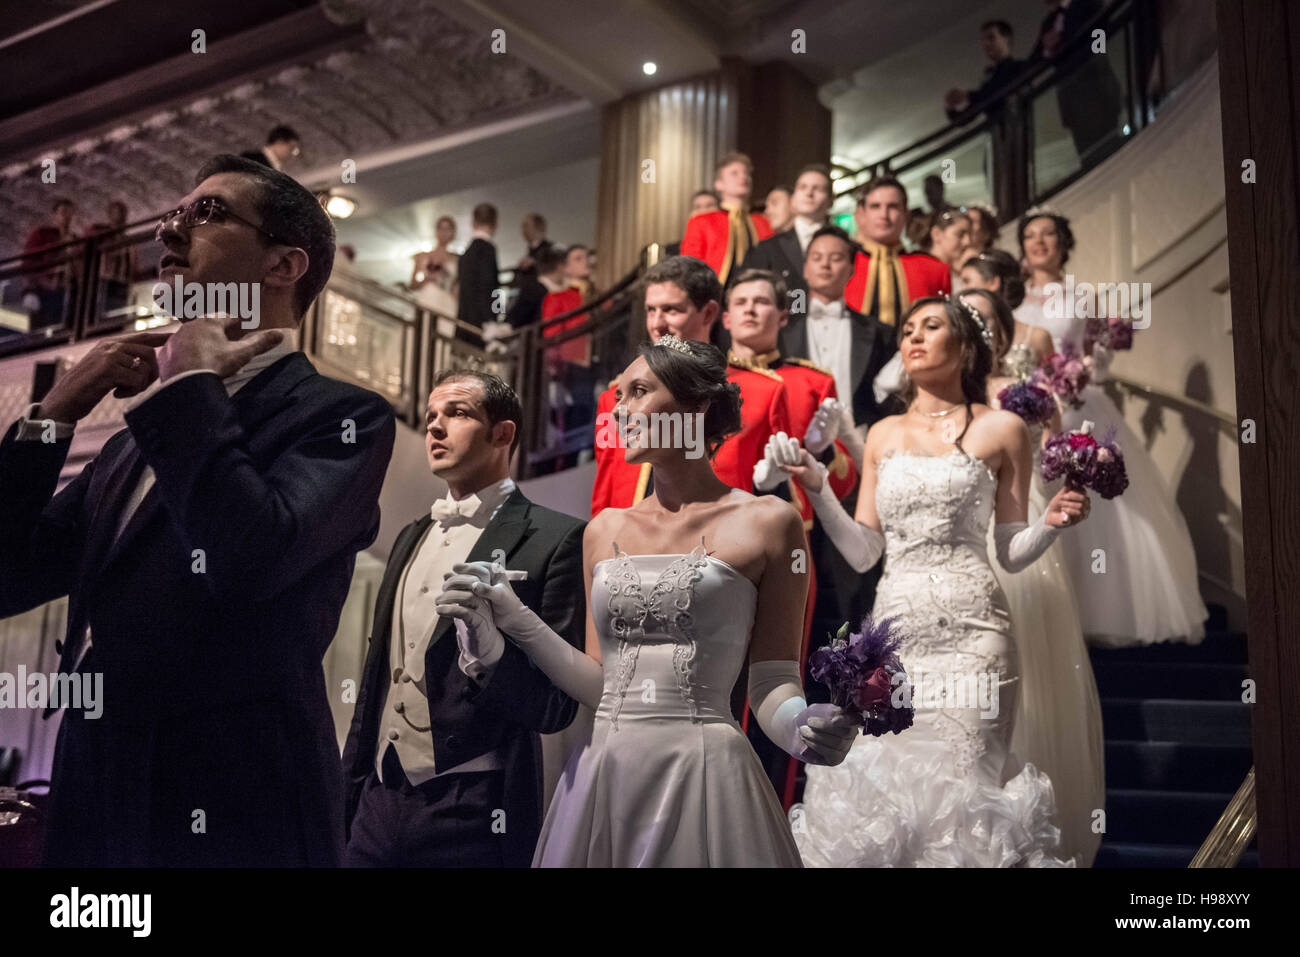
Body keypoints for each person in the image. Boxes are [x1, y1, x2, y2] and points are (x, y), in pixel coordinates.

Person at [0, 153, 396, 866]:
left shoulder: (345, 419)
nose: (169, 231)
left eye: (207, 213)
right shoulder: (129, 444)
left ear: (284, 266)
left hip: (237, 805)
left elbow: (249, 558)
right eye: (174, 214)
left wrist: (187, 385)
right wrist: (52, 415)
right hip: (97, 790)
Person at [436, 337, 859, 865]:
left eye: (638, 391)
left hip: (706, 774)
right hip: (606, 772)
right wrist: (514, 620)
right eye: (619, 395)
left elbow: (771, 682)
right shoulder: (604, 529)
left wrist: (802, 729)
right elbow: (599, 681)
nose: (619, 410)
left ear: (696, 408)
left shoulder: (770, 523)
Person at [780, 296, 1091, 867]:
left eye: (931, 326)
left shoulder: (1003, 428)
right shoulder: (881, 434)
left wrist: (1049, 526)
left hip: (975, 639)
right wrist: (820, 489)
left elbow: (1010, 550)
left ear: (965, 347)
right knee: (882, 794)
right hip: (893, 640)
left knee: (966, 791)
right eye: (907, 329)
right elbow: (863, 550)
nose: (914, 337)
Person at [341, 370, 586, 867]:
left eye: (456, 413)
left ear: (503, 434)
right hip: (376, 799)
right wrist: (349, 792)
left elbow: (554, 708)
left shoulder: (556, 538)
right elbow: (376, 681)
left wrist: (490, 655)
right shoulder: (408, 534)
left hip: (474, 807)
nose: (434, 427)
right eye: (431, 416)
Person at [1015, 209, 1207, 646]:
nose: (1039, 241)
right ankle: (1043, 606)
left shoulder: (1083, 296)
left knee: (1098, 506)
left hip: (1079, 404)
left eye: (1048, 234)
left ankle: (1095, 613)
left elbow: (1099, 356)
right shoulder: (1013, 300)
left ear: (1063, 243)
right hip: (1030, 411)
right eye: (1030, 235)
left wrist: (1081, 368)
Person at [965, 286, 1104, 866]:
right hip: (957, 553)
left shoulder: (1024, 395)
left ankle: (1034, 822)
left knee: (1030, 672)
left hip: (1018, 534)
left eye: (982, 319)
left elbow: (1056, 454)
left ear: (1000, 331)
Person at [725, 268, 860, 806]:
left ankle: (770, 810)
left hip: (791, 543)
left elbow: (847, 479)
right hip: (717, 536)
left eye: (765, 302)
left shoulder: (813, 381)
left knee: (779, 676)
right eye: (742, 301)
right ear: (726, 315)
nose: (754, 310)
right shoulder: (706, 378)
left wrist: (823, 453)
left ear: (783, 316)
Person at [589, 256, 790, 517]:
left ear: (709, 313)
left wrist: (770, 487)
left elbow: (788, 505)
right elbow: (605, 494)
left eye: (671, 310)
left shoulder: (763, 392)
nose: (657, 323)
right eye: (651, 310)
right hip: (631, 547)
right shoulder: (613, 398)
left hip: (723, 543)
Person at [781, 226, 896, 431]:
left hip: (859, 443)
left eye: (835, 258)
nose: (825, 265)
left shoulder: (880, 333)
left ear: (851, 268)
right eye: (817, 258)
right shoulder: (780, 329)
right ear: (805, 267)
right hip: (793, 438)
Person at [844, 176, 951, 325]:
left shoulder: (935, 270)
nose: (884, 215)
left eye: (893, 207)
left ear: (906, 215)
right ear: (860, 215)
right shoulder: (839, 267)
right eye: (875, 206)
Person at [1031, 0, 1124, 167]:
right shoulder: (1049, 22)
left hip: (1096, 89)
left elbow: (1101, 39)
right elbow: (1034, 61)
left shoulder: (1089, 5)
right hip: (1071, 98)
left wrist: (1068, 42)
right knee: (1087, 157)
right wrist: (1046, 49)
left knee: (1109, 152)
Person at [741, 164, 835, 312]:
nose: (809, 193)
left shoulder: (846, 248)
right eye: (803, 187)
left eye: (817, 188)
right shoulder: (767, 249)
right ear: (793, 199)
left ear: (831, 201)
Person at [680, 152, 773, 285]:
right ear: (719, 184)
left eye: (746, 173)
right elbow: (690, 266)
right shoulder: (702, 221)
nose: (743, 177)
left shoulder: (763, 222)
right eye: (734, 173)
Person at [959, 247, 1053, 370]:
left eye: (967, 281)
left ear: (993, 283)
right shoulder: (964, 338)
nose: (962, 290)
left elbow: (1054, 383)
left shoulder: (1038, 337)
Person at [944, 20, 1027, 122]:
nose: (986, 44)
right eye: (983, 40)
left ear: (1006, 39)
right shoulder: (989, 76)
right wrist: (950, 107)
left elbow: (995, 92)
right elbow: (966, 116)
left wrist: (967, 96)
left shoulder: (1018, 67)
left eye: (991, 38)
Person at [21, 198, 78, 329]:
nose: (67, 217)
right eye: (63, 212)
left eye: (70, 213)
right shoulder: (42, 234)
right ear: (55, 216)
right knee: (40, 330)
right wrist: (31, 290)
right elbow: (28, 263)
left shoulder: (77, 241)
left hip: (68, 292)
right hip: (44, 290)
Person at [457, 202, 499, 335]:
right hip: (482, 321)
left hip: (465, 318)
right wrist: (494, 317)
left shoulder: (466, 253)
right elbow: (490, 285)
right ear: (495, 224)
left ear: (473, 223)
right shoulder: (488, 249)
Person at [928, 207, 974, 287]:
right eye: (960, 234)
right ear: (936, 234)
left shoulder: (961, 272)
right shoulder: (924, 272)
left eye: (970, 234)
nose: (967, 242)